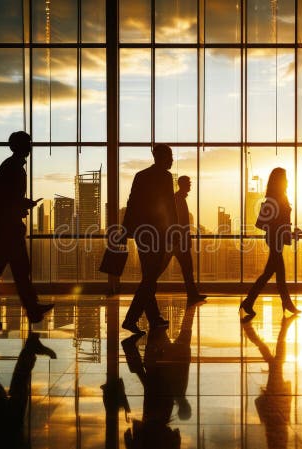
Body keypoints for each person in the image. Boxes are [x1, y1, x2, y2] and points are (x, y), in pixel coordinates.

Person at [0, 131, 54, 330]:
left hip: (6, 227)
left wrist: (20, 205)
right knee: (5, 272)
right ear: (20, 146)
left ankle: (32, 310)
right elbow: (7, 199)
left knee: (18, 270)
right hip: (8, 228)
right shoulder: (13, 168)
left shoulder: (11, 166)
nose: (31, 146)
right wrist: (23, 203)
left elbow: (5, 199)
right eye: (28, 143)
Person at [121, 302, 201, 449]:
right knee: (156, 328)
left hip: (165, 377)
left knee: (169, 329)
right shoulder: (147, 435)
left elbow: (175, 437)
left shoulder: (174, 398)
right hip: (155, 379)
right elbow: (131, 438)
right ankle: (147, 298)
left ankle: (149, 297)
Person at [121, 143, 178, 334]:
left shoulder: (141, 176)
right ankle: (131, 318)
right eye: (170, 157)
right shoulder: (165, 177)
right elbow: (169, 206)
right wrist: (175, 230)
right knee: (150, 278)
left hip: (142, 233)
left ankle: (154, 319)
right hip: (157, 233)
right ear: (161, 157)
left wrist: (125, 229)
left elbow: (132, 203)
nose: (172, 160)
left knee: (149, 276)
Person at [0, 331, 57, 449]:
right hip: (3, 437)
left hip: (5, 438)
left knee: (13, 395)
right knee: (2, 390)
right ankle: (29, 348)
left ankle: (29, 348)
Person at [240, 168, 301, 321]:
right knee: (275, 274)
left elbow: (281, 222)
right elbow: (263, 223)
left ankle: (250, 302)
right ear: (279, 181)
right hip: (275, 239)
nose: (287, 181)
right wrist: (281, 230)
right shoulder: (274, 199)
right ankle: (284, 303)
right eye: (285, 178)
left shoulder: (279, 197)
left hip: (276, 238)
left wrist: (288, 232)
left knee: (273, 274)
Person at [241, 314, 297, 449]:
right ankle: (249, 328)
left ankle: (283, 325)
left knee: (277, 361)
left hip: (276, 395)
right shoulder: (271, 433)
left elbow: (282, 415)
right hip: (275, 395)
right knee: (275, 361)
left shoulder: (276, 433)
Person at [165, 175, 206, 306]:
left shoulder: (178, 198)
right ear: (182, 184)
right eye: (188, 183)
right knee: (187, 268)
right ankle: (193, 295)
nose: (190, 185)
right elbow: (180, 222)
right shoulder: (179, 199)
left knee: (186, 268)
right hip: (178, 241)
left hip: (177, 240)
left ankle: (193, 294)